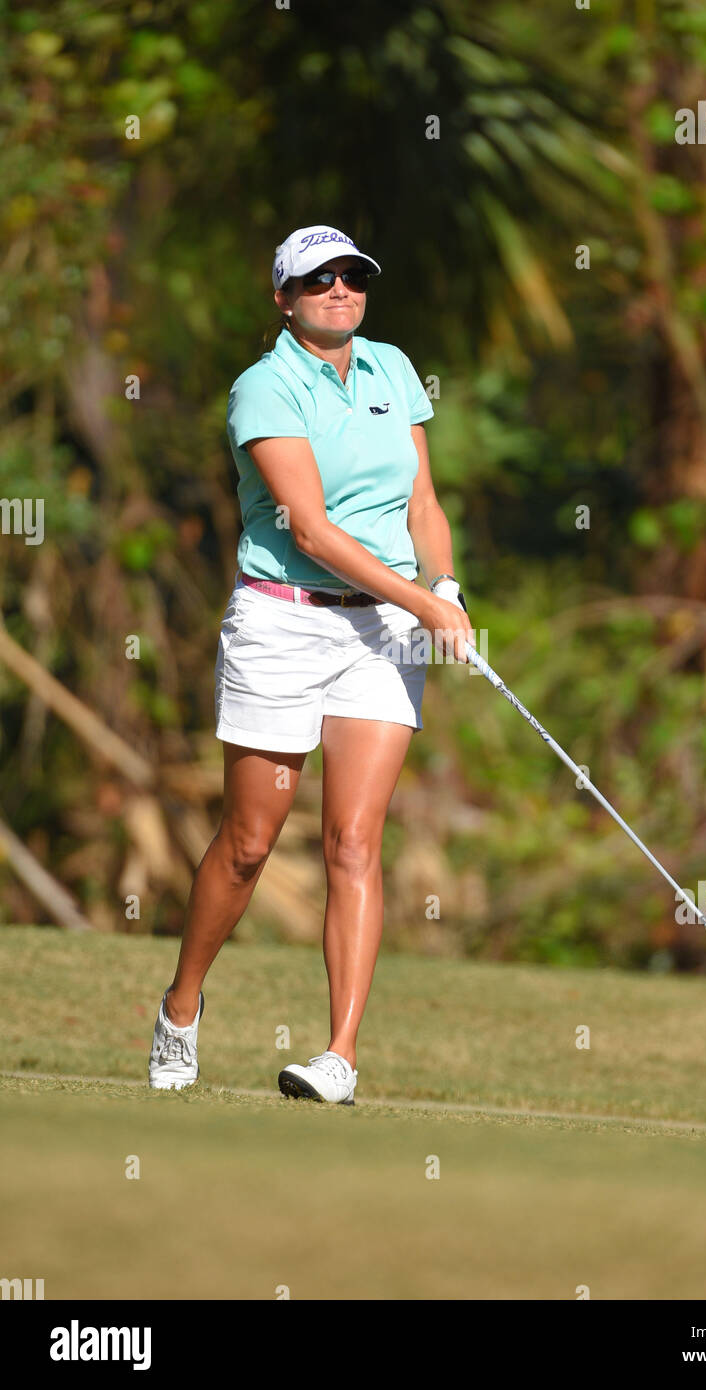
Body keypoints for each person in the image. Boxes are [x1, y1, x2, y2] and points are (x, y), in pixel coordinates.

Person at [148, 224, 474, 1105]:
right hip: (282, 624)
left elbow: (422, 501)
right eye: (318, 279)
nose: (340, 290)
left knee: (354, 842)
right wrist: (425, 605)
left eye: (353, 277)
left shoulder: (391, 370)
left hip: (382, 633)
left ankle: (338, 1056)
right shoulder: (263, 388)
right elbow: (311, 530)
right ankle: (181, 1010)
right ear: (284, 298)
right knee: (251, 843)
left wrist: (442, 582)